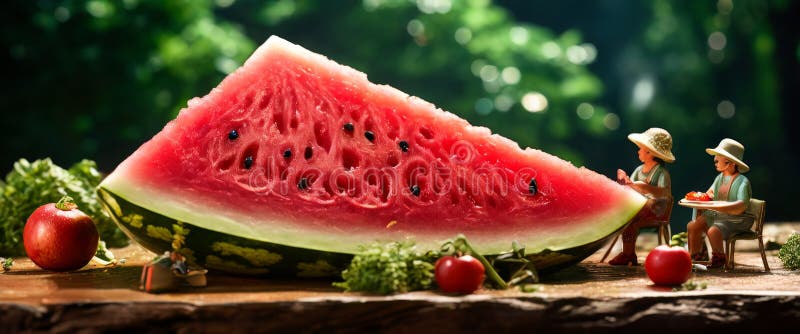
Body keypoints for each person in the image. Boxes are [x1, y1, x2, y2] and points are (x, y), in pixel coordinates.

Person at [608, 128, 675, 265]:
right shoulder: (639, 170)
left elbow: (665, 194)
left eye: (640, 149)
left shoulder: (661, 173)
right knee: (626, 217)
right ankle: (628, 253)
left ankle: (628, 254)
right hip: (638, 208)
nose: (638, 151)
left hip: (656, 211)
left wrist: (644, 187)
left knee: (629, 220)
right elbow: (631, 187)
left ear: (650, 152)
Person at [686, 138, 752, 268]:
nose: (715, 160)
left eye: (719, 157)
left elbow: (741, 205)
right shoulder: (719, 179)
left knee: (714, 231)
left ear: (730, 162)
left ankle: (719, 258)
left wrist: (720, 207)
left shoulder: (742, 182)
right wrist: (699, 197)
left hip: (736, 219)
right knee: (693, 225)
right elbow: (709, 194)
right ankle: (695, 256)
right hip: (718, 215)